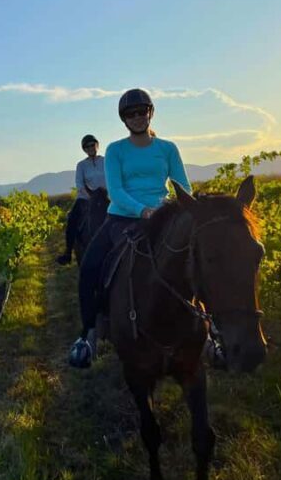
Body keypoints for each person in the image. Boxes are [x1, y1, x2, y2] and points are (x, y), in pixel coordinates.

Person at [69, 88, 192, 368]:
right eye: (130, 114)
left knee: (199, 261)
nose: (137, 117)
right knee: (89, 268)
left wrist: (169, 209)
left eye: (141, 112)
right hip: (122, 219)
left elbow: (184, 186)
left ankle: (210, 333)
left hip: (163, 218)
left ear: (150, 113)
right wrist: (143, 210)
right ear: (124, 119)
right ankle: (87, 335)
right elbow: (116, 190)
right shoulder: (115, 150)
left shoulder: (168, 148)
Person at [56, 134, 106, 265]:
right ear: (84, 149)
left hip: (106, 197)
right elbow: (79, 184)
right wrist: (91, 197)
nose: (90, 148)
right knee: (72, 219)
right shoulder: (81, 165)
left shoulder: (106, 161)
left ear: (97, 145)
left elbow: (112, 179)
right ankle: (68, 253)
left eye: (92, 145)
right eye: (87, 146)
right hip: (86, 199)